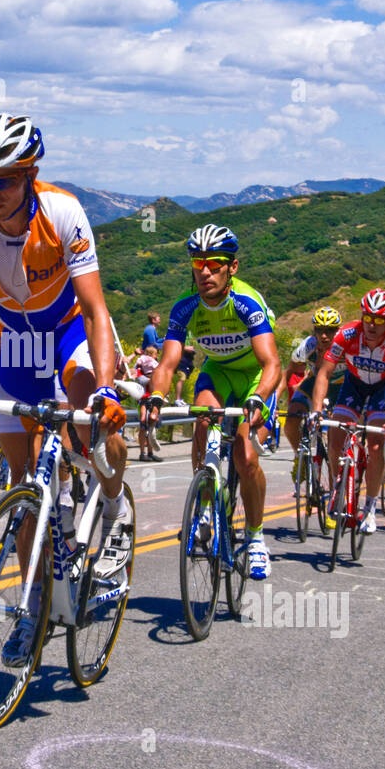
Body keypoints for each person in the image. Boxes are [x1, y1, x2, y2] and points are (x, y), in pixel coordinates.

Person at [0, 112, 130, 667]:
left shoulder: (63, 211)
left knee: (90, 414)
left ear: (30, 173)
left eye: (2, 179)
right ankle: (34, 608)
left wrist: (106, 391)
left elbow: (96, 309)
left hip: (71, 328)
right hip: (17, 339)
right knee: (24, 490)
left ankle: (114, 503)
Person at [143, 224, 282, 580]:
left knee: (245, 456)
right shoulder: (186, 307)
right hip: (218, 371)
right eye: (197, 262)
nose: (205, 271)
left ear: (231, 267)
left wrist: (257, 397)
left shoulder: (246, 303)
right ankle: (204, 506)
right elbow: (168, 363)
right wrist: (154, 395)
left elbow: (272, 364)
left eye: (215, 263)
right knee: (203, 420)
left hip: (253, 377)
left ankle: (255, 539)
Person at [309, 289, 385, 534]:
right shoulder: (346, 335)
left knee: (376, 444)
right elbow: (323, 373)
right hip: (353, 385)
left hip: (381, 389)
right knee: (335, 434)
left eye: (379, 320)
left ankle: (371, 507)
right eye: (368, 318)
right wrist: (316, 411)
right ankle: (337, 485)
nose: (372, 325)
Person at [280, 307, 344, 530]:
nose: (324, 335)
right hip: (315, 384)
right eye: (319, 330)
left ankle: (338, 488)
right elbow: (290, 371)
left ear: (337, 330)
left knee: (336, 435)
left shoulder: (346, 346)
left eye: (329, 330)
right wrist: (278, 396)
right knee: (292, 417)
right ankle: (301, 456)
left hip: (341, 389)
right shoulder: (308, 346)